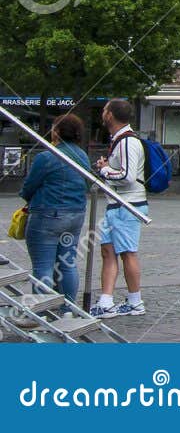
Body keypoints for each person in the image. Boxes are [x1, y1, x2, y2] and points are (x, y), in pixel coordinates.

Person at [18, 113, 90, 304]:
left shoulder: (46, 156)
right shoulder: (82, 156)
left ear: (56, 132)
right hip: (75, 215)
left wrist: (28, 197)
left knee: (43, 266)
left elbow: (28, 187)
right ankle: (68, 310)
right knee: (67, 264)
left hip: (47, 215)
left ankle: (43, 311)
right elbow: (87, 185)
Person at [91, 99, 146, 317]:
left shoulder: (127, 142)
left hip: (128, 204)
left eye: (105, 110)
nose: (103, 113)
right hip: (117, 204)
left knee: (127, 253)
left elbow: (127, 176)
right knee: (109, 251)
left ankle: (135, 302)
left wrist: (105, 170)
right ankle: (106, 302)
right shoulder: (120, 140)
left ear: (110, 115)